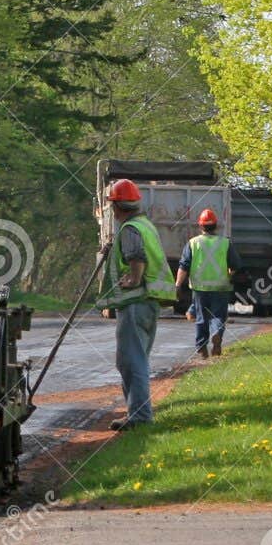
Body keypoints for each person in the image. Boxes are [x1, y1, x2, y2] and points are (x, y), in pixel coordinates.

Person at [101, 178, 176, 430]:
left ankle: (140, 417)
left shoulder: (131, 229)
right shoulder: (144, 225)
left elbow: (136, 256)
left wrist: (133, 278)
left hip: (136, 301)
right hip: (148, 301)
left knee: (131, 361)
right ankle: (136, 413)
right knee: (135, 359)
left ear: (116, 207)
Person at [177, 208, 240, 358]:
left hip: (199, 288)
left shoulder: (193, 243)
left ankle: (201, 347)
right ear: (216, 226)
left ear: (200, 226)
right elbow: (236, 265)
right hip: (220, 287)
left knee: (201, 318)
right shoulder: (225, 243)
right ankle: (217, 333)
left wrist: (178, 285)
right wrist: (228, 276)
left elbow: (183, 266)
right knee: (218, 316)